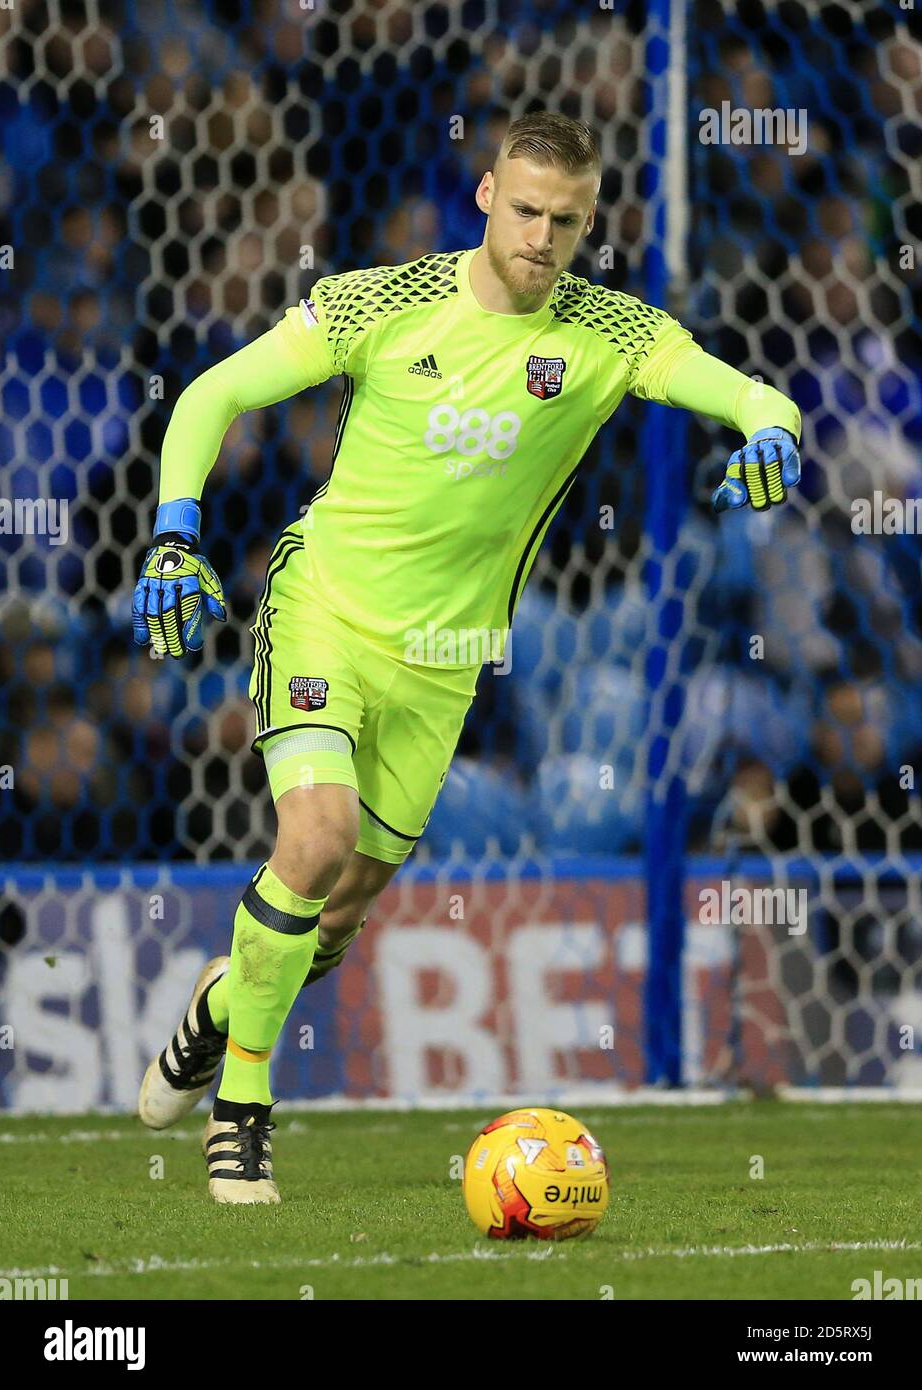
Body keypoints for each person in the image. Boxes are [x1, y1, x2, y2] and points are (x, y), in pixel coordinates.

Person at [131, 111, 802, 1204]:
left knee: (334, 920)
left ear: (590, 221)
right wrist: (174, 534)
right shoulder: (379, 302)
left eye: (565, 221)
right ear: (487, 196)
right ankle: (240, 1113)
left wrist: (775, 432)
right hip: (323, 610)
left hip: (445, 663)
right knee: (314, 836)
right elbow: (214, 393)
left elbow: (747, 392)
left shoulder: (612, 334)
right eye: (525, 209)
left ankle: (216, 1008)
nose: (541, 237)